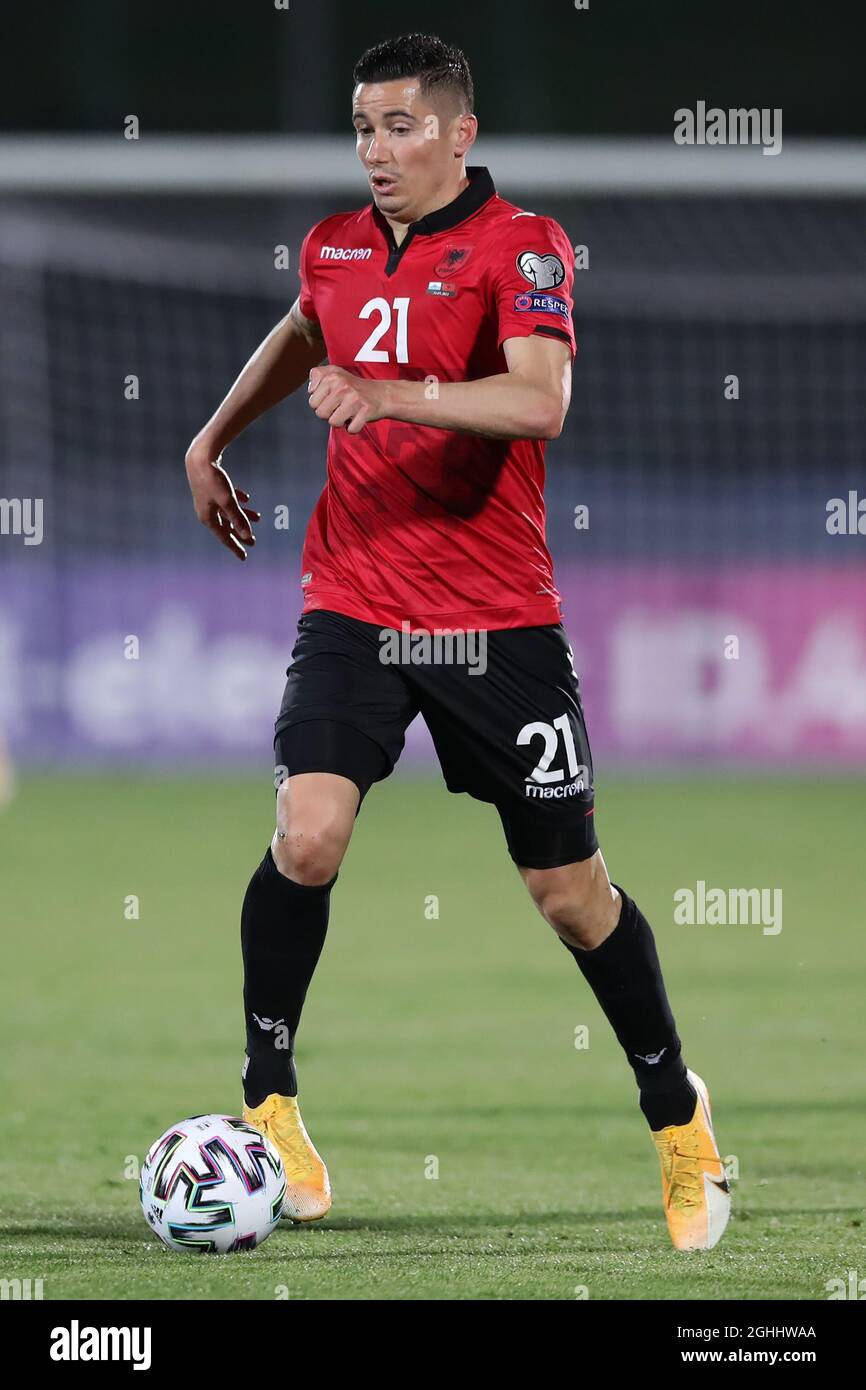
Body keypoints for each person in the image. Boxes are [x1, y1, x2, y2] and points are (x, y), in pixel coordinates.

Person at [185, 32, 730, 1250]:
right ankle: (267, 1100)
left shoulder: (520, 247)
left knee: (569, 896)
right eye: (364, 127)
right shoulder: (331, 245)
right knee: (306, 836)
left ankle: (675, 1113)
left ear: (457, 132)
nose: (378, 150)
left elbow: (540, 400)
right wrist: (208, 438)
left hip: (497, 623)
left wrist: (391, 395)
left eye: (401, 126)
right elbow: (303, 329)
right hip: (354, 602)